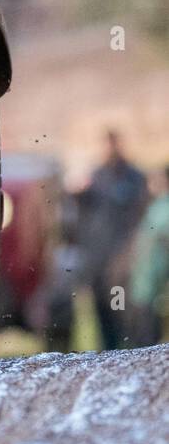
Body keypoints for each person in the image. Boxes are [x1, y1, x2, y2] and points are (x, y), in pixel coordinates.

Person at [72, 129, 149, 350]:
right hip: (96, 258)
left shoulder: (133, 177)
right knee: (101, 309)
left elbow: (140, 212)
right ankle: (109, 349)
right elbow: (82, 215)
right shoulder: (96, 176)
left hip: (120, 259)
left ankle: (123, 350)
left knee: (119, 307)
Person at [128, 164, 169, 346]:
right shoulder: (157, 205)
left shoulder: (164, 207)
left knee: (150, 342)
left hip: (156, 285)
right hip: (145, 283)